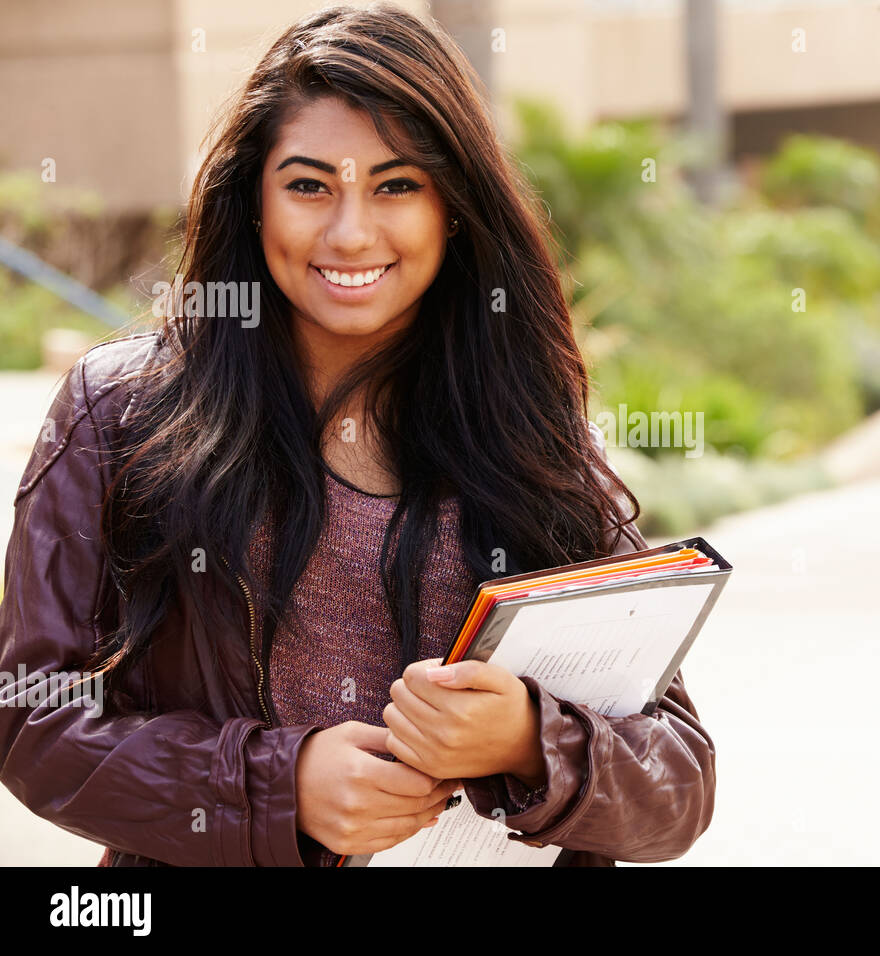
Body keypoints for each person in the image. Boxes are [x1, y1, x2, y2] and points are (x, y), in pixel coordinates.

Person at [0, 4, 715, 867]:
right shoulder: (120, 412)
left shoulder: (529, 429)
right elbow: (32, 717)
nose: (350, 233)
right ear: (253, 199)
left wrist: (530, 741)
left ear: (453, 206)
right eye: (308, 186)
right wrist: (280, 785)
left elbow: (679, 785)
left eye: (396, 186)